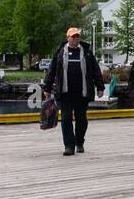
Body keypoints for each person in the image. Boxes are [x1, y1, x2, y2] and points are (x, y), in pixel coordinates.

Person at [42, 27, 105, 157]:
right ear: (68, 38)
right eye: (73, 36)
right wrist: (47, 88)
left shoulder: (86, 52)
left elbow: (96, 70)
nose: (76, 38)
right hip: (64, 93)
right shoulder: (60, 52)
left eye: (77, 36)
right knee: (66, 119)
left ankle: (79, 142)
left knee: (82, 120)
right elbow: (51, 70)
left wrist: (100, 87)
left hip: (82, 93)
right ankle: (69, 146)